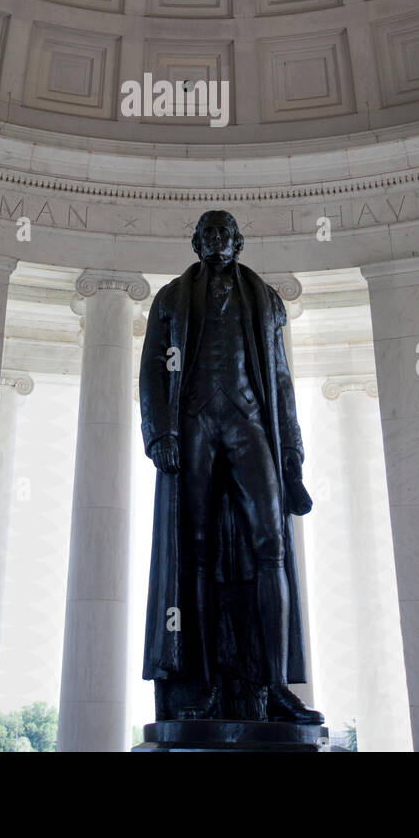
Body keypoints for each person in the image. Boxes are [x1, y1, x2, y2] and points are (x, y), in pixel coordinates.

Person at [139, 209, 322, 723]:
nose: (217, 240)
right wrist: (160, 434)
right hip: (194, 422)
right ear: (197, 242)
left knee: (272, 545)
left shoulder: (266, 300)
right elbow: (153, 368)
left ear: (238, 242)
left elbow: (282, 380)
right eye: (208, 233)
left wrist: (291, 455)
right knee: (194, 553)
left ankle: (275, 684)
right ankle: (204, 683)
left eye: (225, 233)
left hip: (249, 422)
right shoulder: (171, 298)